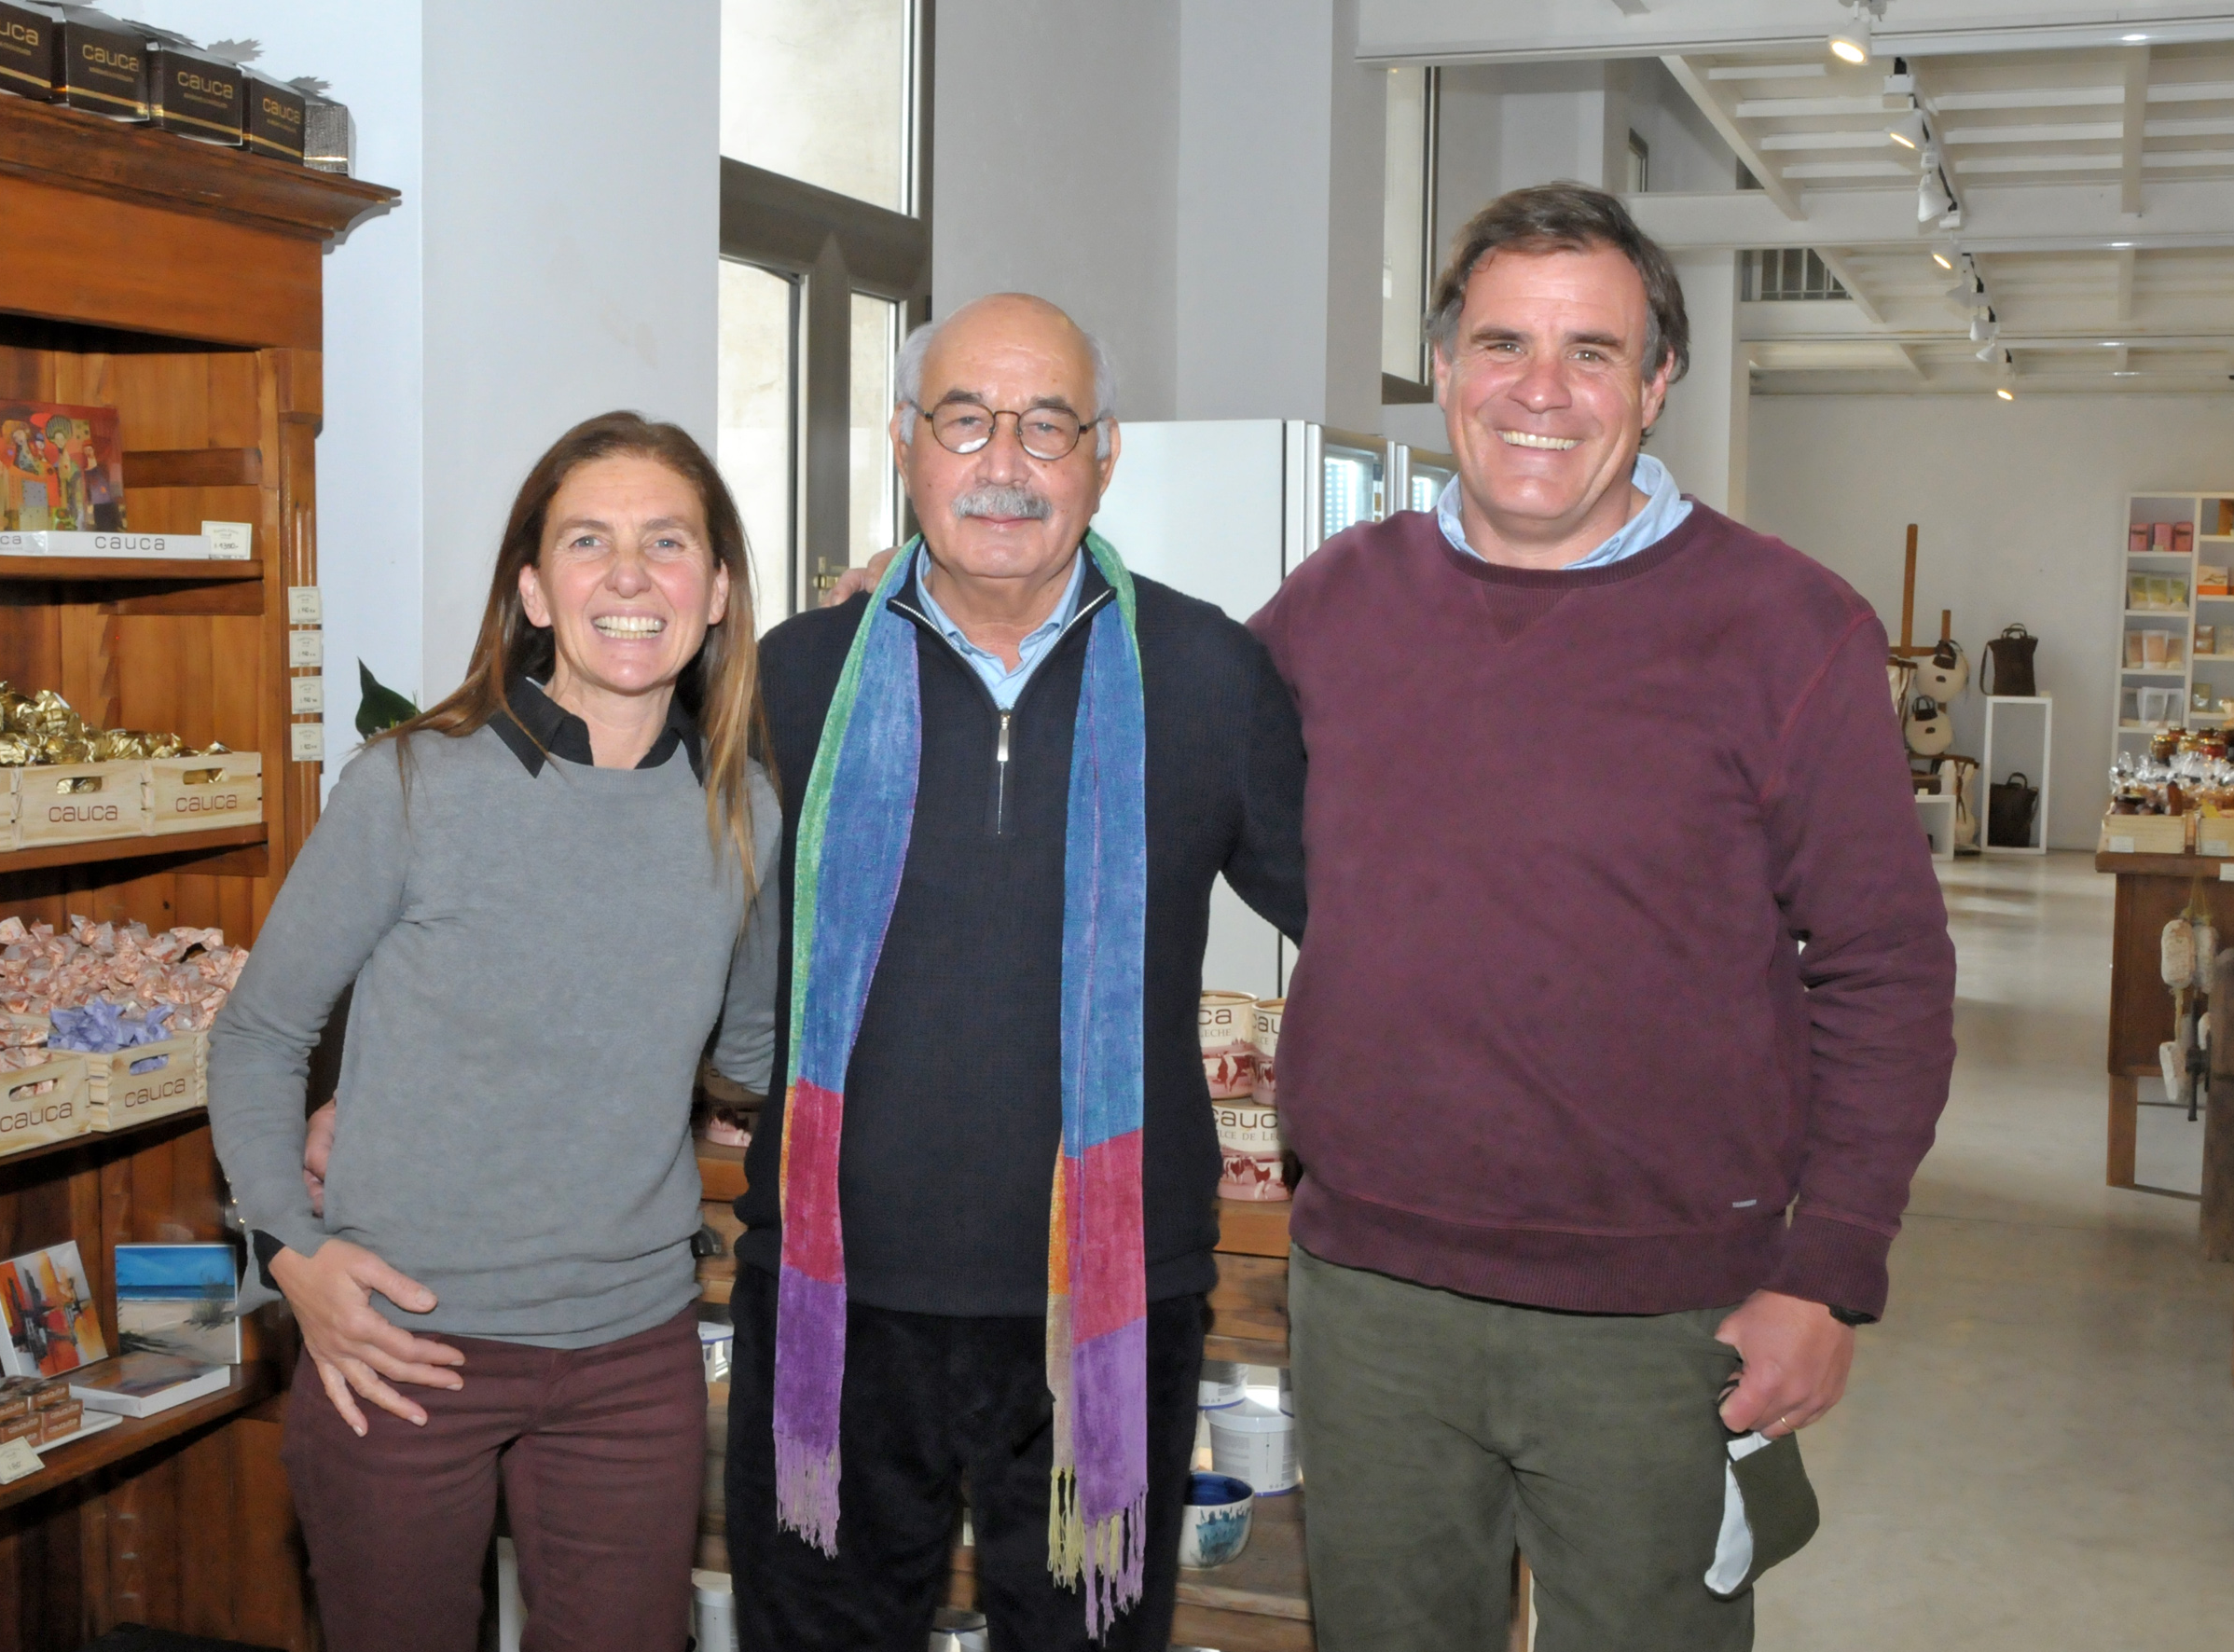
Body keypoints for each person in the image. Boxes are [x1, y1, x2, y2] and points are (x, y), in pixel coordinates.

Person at [1248, 182, 1957, 1651]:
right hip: (1372, 1303)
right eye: (1501, 342)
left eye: (1590, 351)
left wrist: (1824, 1269)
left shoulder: (1784, 627)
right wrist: (924, 599)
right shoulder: (1338, 600)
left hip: (1664, 1322)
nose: (1539, 391)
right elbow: (1184, 763)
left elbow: (1884, 970)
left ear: (1654, 382)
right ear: (1443, 368)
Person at [724, 293, 1307, 1650]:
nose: (1002, 463)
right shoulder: (793, 679)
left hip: (1103, 1318)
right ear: (902, 445)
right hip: (834, 1307)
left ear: (1104, 455)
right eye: (965, 422)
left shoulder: (1207, 675)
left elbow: (1363, 919)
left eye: (1045, 426)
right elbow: (650, 922)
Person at [208, 412, 779, 1652]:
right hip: (399, 1346)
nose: (629, 576)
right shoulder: (412, 787)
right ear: (533, 589)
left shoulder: (744, 817)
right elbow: (256, 1035)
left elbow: (747, 1055)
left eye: (666, 543)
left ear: (719, 590)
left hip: (633, 1354)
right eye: (589, 542)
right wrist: (293, 1257)